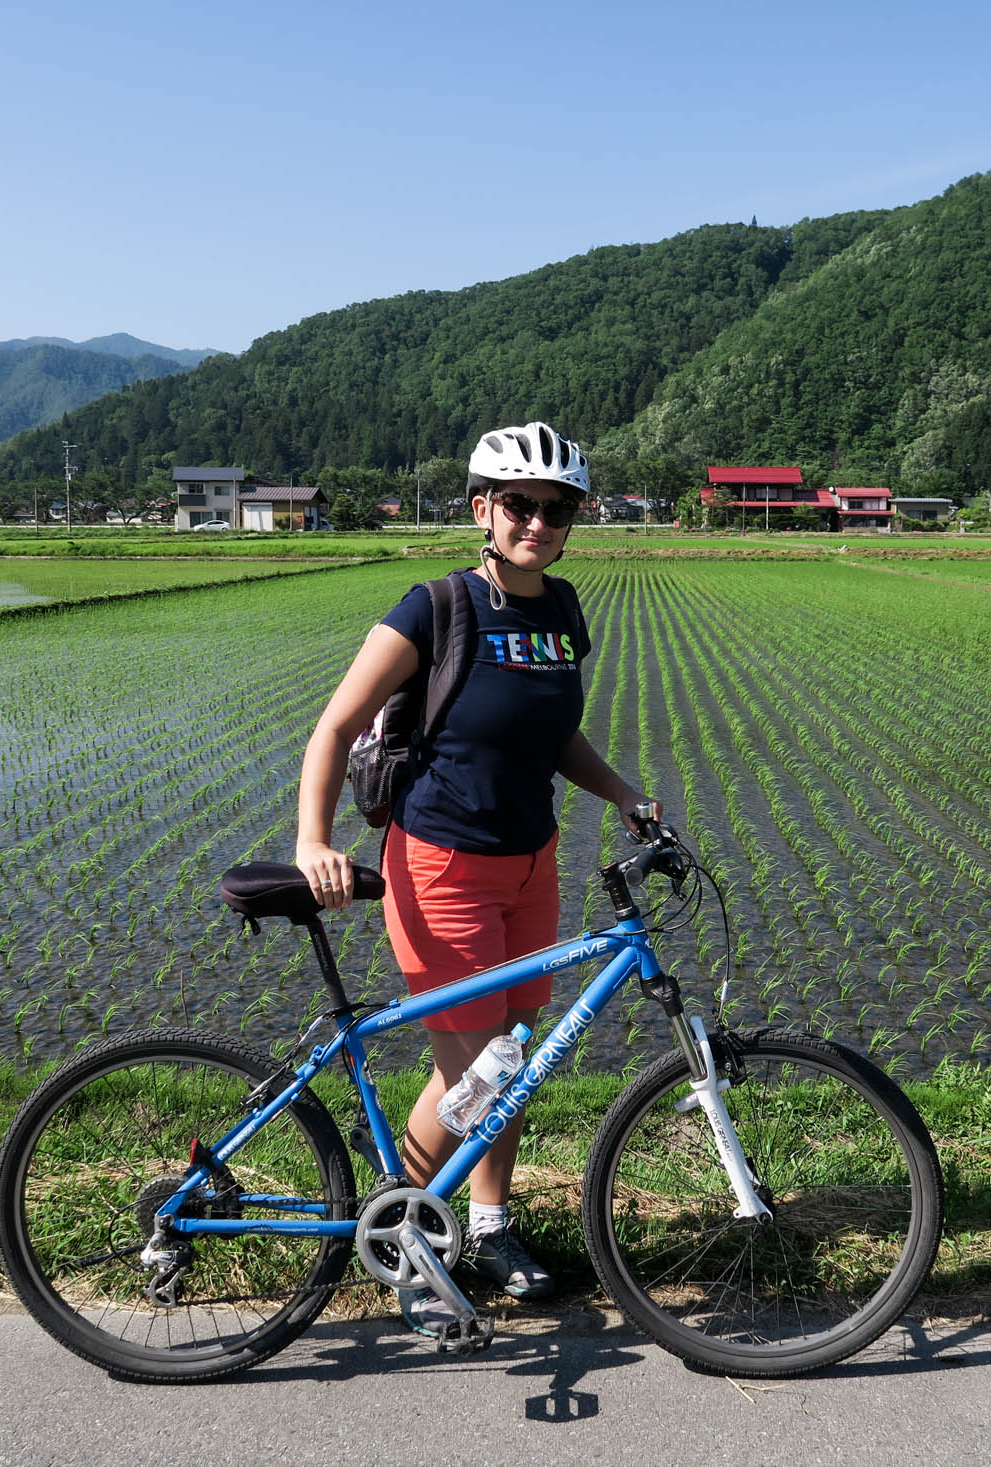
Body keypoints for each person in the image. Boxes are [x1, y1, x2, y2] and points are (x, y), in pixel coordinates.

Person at [293, 422, 659, 1333]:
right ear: (482, 510)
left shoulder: (560, 609)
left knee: (515, 1060)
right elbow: (336, 726)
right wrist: (313, 839)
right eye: (520, 504)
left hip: (532, 862)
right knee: (482, 1070)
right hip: (442, 864)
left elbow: (549, 734)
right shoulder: (435, 607)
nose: (538, 521)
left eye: (557, 507)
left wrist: (621, 793)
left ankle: (488, 1224)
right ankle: (413, 1240)